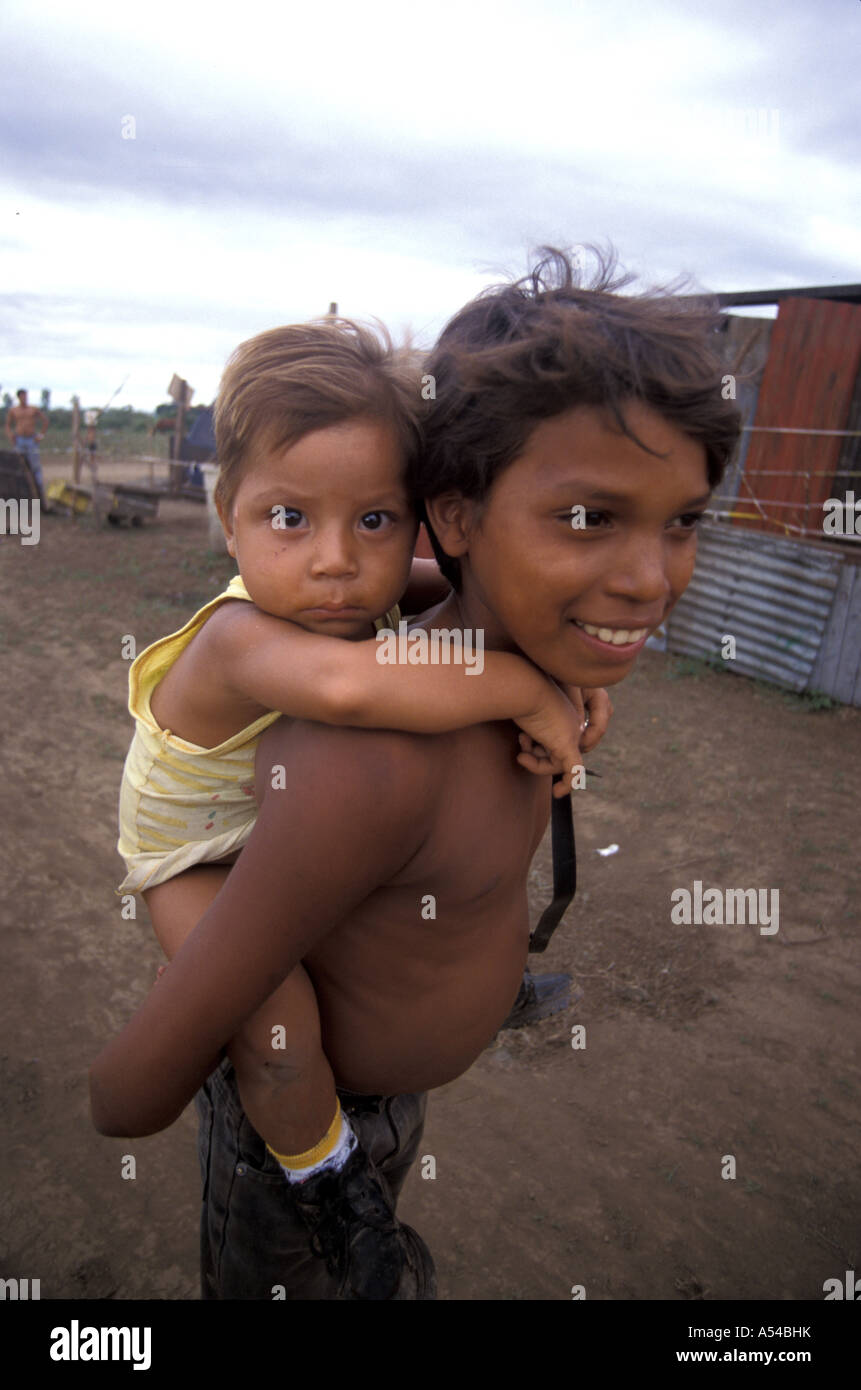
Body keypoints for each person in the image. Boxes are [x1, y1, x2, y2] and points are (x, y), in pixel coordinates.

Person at [90, 247, 741, 1300]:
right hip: (186, 858)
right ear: (231, 522)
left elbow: (447, 569)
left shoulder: (409, 614)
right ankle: (328, 1176)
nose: (341, 562)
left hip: (399, 1092)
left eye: (683, 522)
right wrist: (527, 691)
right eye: (591, 518)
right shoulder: (275, 668)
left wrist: (564, 666)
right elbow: (351, 692)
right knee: (273, 1023)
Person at [5, 388, 48, 500]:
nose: (25, 398)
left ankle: (40, 494)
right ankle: (19, 493)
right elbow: (8, 425)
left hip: (32, 440)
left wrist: (40, 436)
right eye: (23, 396)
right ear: (19, 397)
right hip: (19, 440)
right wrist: (11, 436)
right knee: (18, 466)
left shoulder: (33, 409)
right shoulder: (14, 410)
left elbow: (45, 421)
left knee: (35, 467)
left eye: (26, 396)